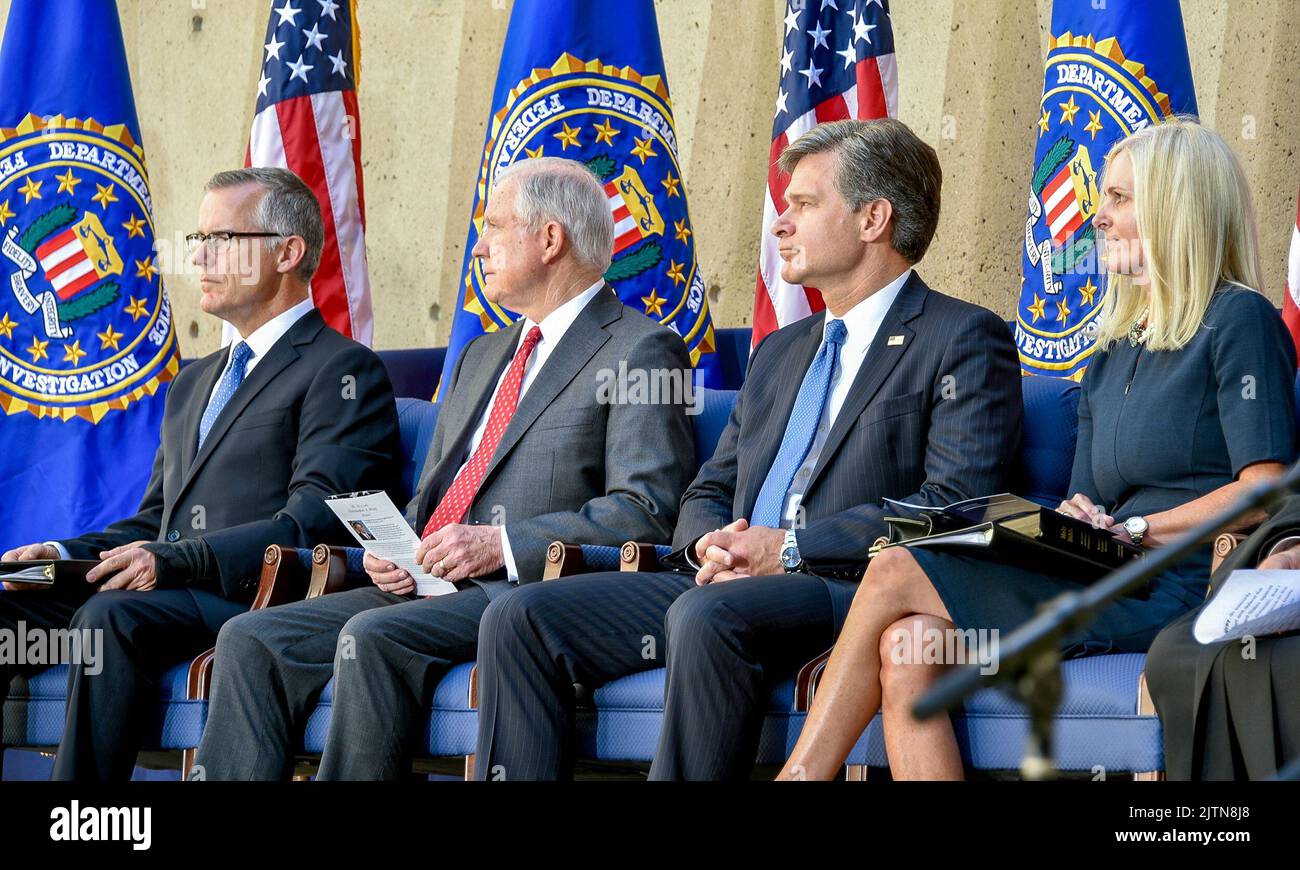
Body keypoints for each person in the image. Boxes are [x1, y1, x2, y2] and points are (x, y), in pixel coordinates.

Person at [473, 118, 1024, 781]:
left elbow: (949, 507)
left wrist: (789, 548)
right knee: (519, 616)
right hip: (723, 578)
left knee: (709, 616)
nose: (781, 224)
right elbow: (709, 487)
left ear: (874, 218)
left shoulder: (963, 338)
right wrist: (713, 543)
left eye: (804, 205)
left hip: (844, 587)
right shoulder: (780, 350)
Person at [777, 117, 1296, 781]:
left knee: (893, 568)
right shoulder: (1112, 351)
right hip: (1102, 566)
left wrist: (1139, 527)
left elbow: (1263, 490)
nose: (1097, 216)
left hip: (1177, 583)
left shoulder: (1239, 321)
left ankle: (802, 774)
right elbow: (1093, 503)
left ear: (1175, 205)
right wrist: (1081, 518)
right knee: (908, 644)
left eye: (1118, 198)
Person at [191, 157, 696, 780]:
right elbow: (434, 498)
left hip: (524, 592)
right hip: (425, 580)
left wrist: (502, 545)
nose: (478, 248)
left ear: (549, 238)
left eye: (492, 227)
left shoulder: (641, 348)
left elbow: (645, 513)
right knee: (251, 637)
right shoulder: (481, 355)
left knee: (375, 636)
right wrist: (390, 544)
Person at [0, 167, 401, 780]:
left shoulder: (343, 371)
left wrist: (176, 561)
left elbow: (315, 518)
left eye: (223, 239)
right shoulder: (193, 381)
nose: (201, 257)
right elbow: (155, 519)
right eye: (199, 240)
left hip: (249, 597)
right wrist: (56, 554)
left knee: (110, 618)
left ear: (288, 252)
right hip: (167, 585)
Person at [1146, 492, 1300, 779]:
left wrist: (1136, 529)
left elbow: (1261, 485)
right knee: (1179, 650)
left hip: (1166, 578)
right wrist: (1292, 549)